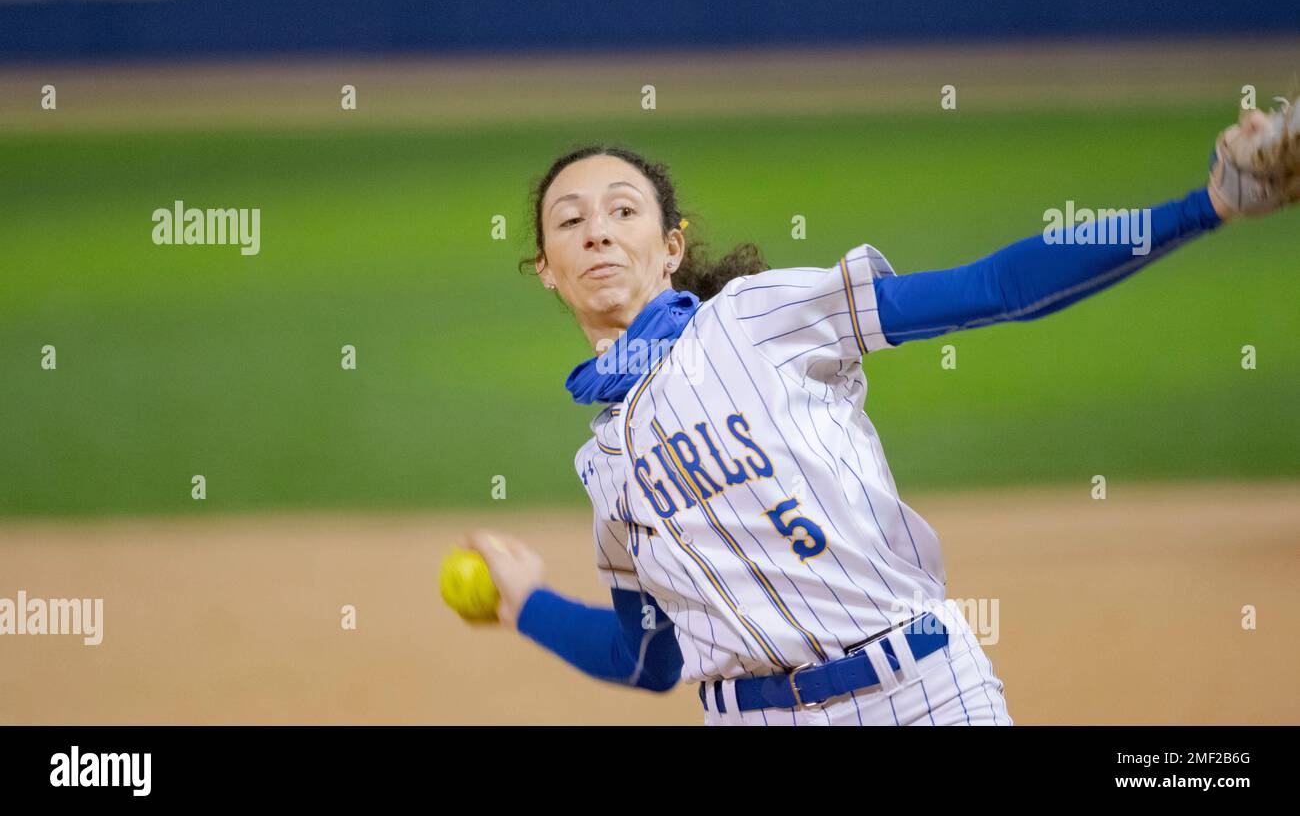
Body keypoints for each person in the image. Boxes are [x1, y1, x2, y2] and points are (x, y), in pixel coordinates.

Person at [466, 102, 1299, 725]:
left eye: (623, 210)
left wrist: (1208, 206)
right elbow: (648, 659)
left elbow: (993, 289)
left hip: (924, 695)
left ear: (671, 247)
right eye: (570, 221)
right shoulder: (606, 465)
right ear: (546, 268)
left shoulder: (758, 317)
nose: (598, 233)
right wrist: (524, 604)